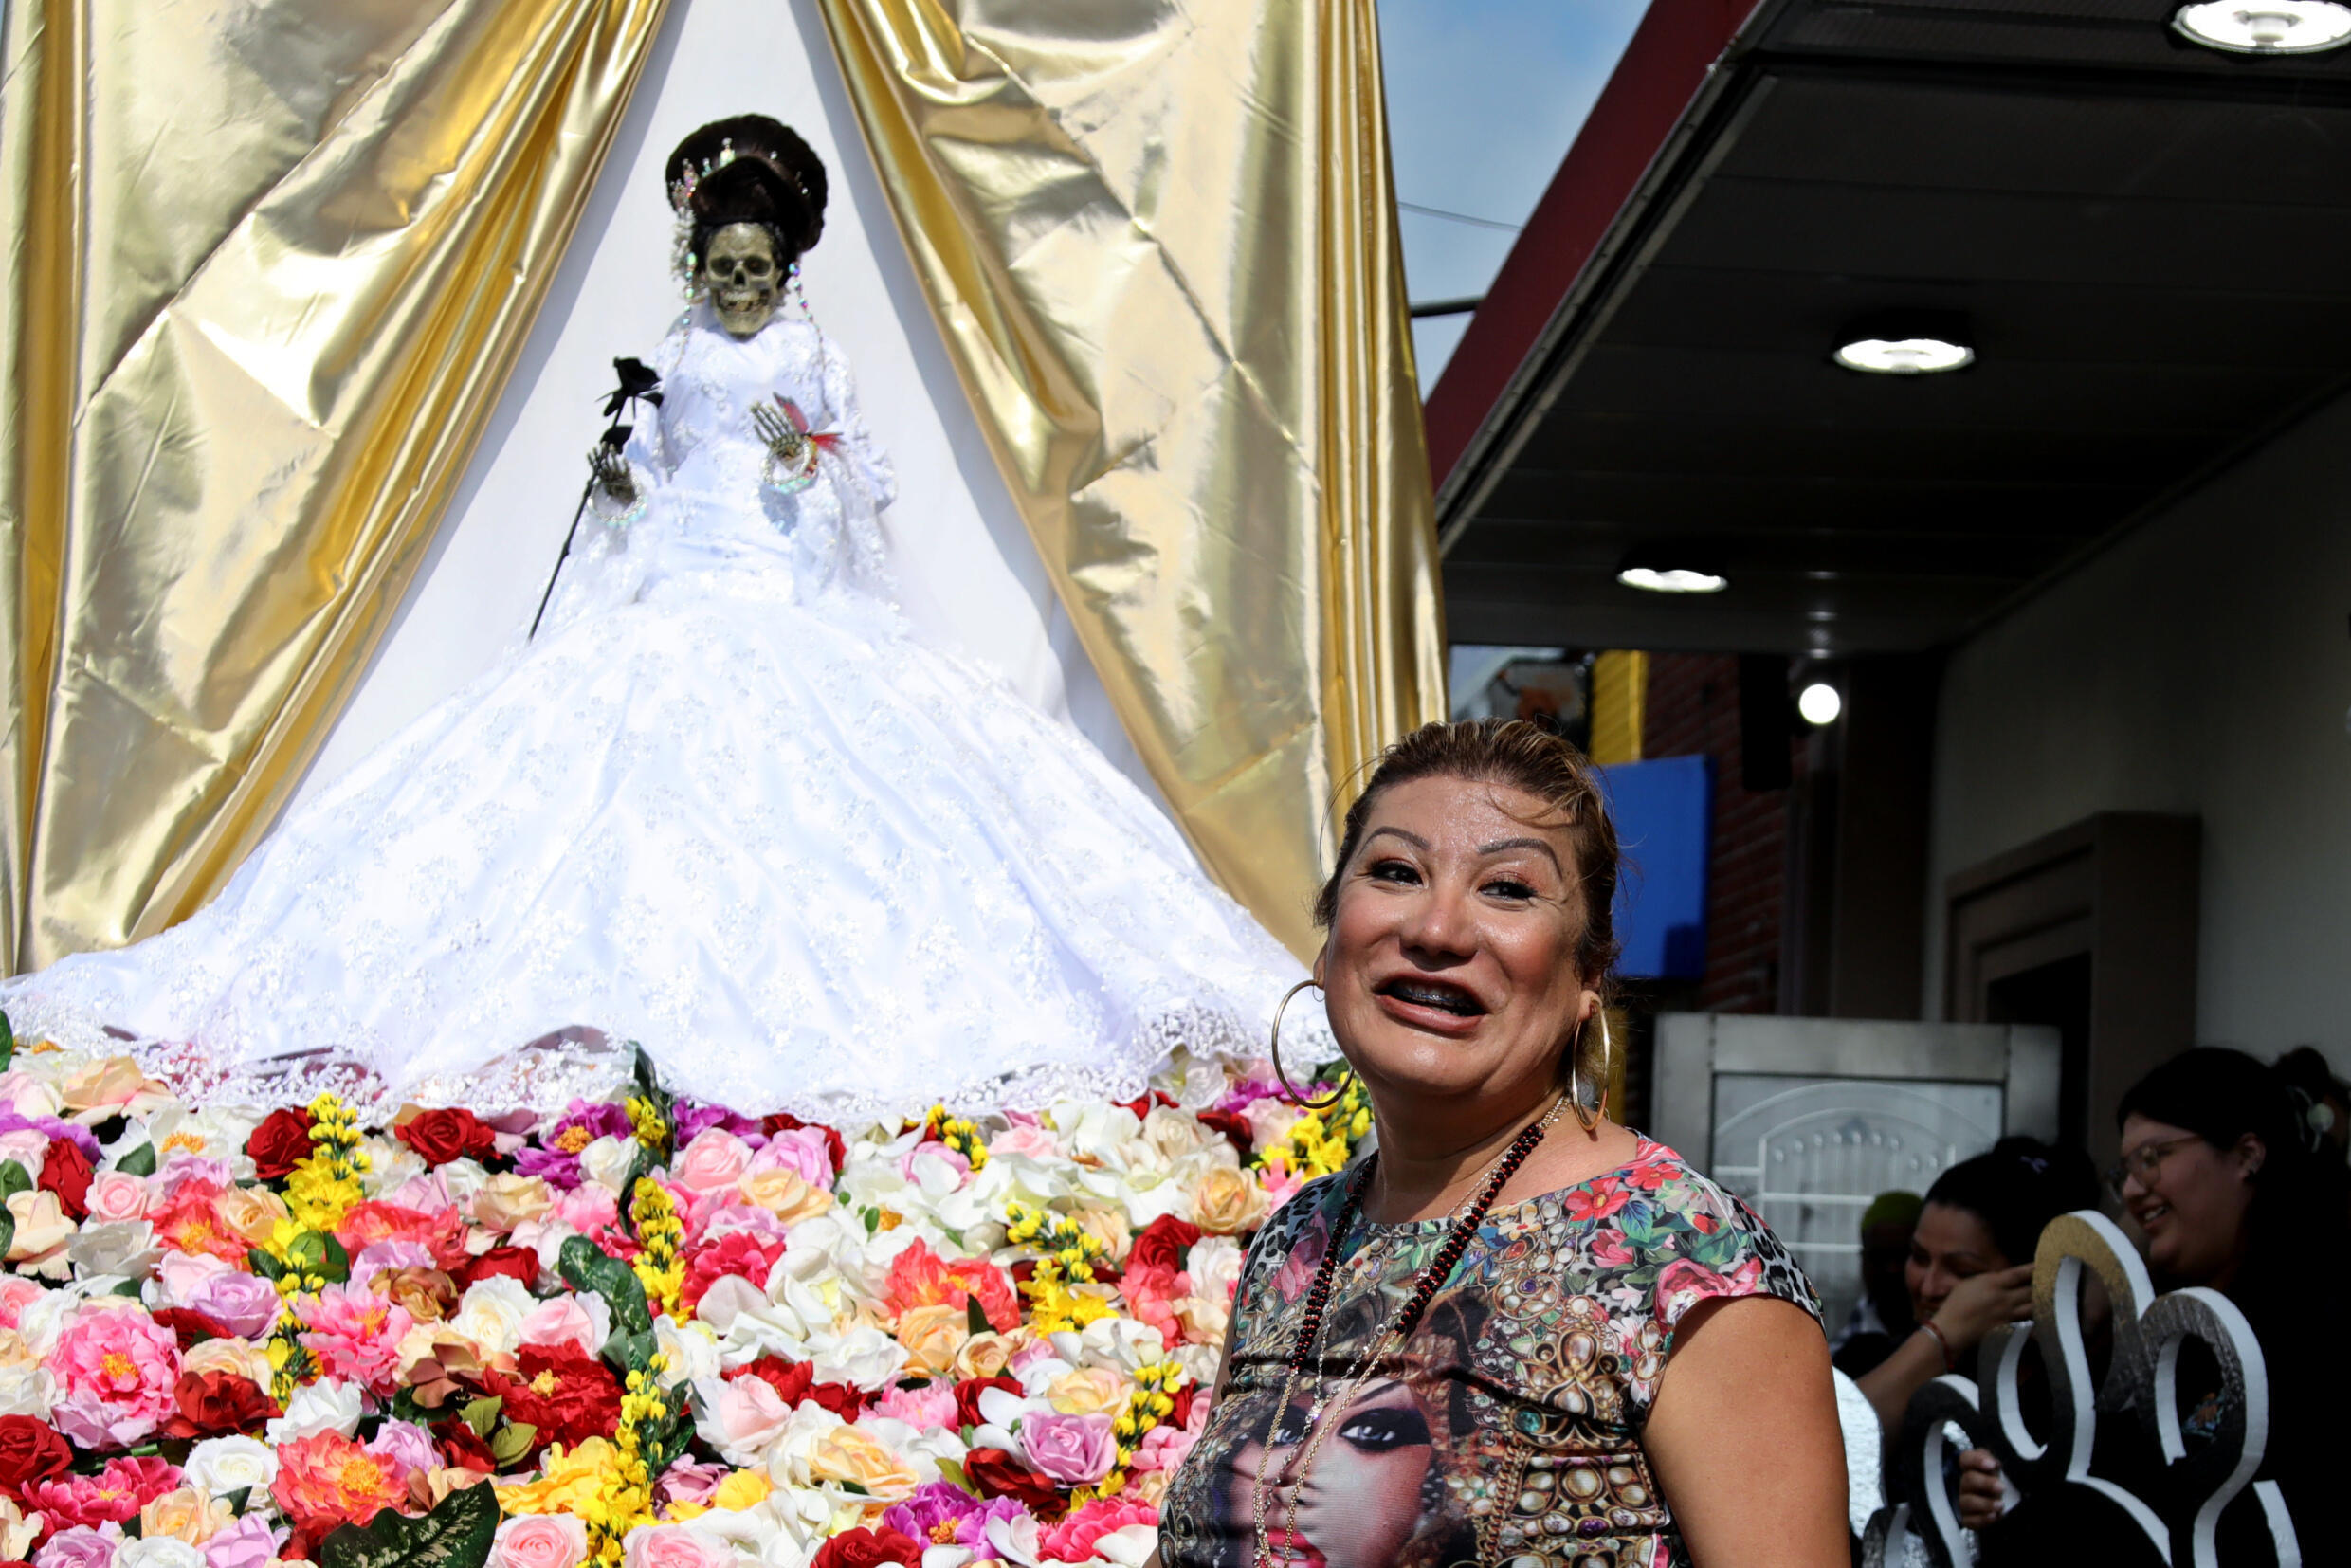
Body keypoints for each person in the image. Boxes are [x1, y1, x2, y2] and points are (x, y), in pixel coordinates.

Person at [0, 114, 1314, 1124]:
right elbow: (639, 476)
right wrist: (626, 476)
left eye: (759, 271)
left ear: (788, 271)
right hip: (679, 590)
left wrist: (818, 463)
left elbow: (867, 481)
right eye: (723, 269)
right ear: (700, 266)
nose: (741, 289)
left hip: (789, 600)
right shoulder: (674, 357)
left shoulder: (809, 358)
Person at [1157, 720, 1850, 1568]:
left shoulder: (1688, 1263)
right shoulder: (1295, 1243)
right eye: (1397, 872)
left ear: (1587, 977)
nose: (1440, 930)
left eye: (1509, 890)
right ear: (1331, 929)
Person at [1956, 1048, 2350, 1548]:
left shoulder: (2315, 1324)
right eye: (2125, 1173)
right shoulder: (2150, 1331)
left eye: (2154, 1158)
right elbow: (2068, 1461)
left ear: (2247, 1155)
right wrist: (1996, 1485)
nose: (2137, 1189)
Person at [1852, 1138, 2098, 1440]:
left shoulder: (2075, 1401)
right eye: (1918, 1257)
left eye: (1962, 1271)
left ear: (2028, 1280)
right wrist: (1941, 1337)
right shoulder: (1867, 1358)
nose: (1928, 1287)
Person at [1831, 1189, 1922, 1377]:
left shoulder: (1951, 1344)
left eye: (1903, 1256)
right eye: (1880, 1257)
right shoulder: (1835, 1354)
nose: (1892, 1270)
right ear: (1862, 1259)